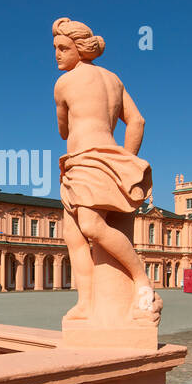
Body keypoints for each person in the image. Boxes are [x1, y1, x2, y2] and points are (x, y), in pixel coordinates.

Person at [52, 17, 159, 324]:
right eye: (55, 48)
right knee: (72, 235)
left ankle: (141, 279)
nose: (57, 54)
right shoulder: (114, 79)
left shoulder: (63, 83)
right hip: (100, 158)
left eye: (62, 48)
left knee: (89, 226)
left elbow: (62, 130)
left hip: (85, 158)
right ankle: (86, 303)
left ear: (79, 49)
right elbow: (137, 122)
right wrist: (123, 160)